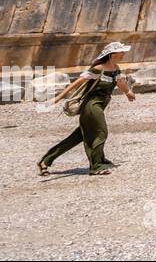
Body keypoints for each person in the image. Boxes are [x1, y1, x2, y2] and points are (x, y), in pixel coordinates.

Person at [38, 41, 135, 176]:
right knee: (101, 132)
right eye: (121, 52)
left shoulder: (115, 68)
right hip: (91, 105)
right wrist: (57, 98)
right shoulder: (98, 69)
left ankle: (45, 161)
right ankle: (96, 165)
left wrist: (128, 92)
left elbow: (119, 81)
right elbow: (76, 83)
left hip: (101, 105)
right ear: (112, 54)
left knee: (77, 137)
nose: (123, 54)